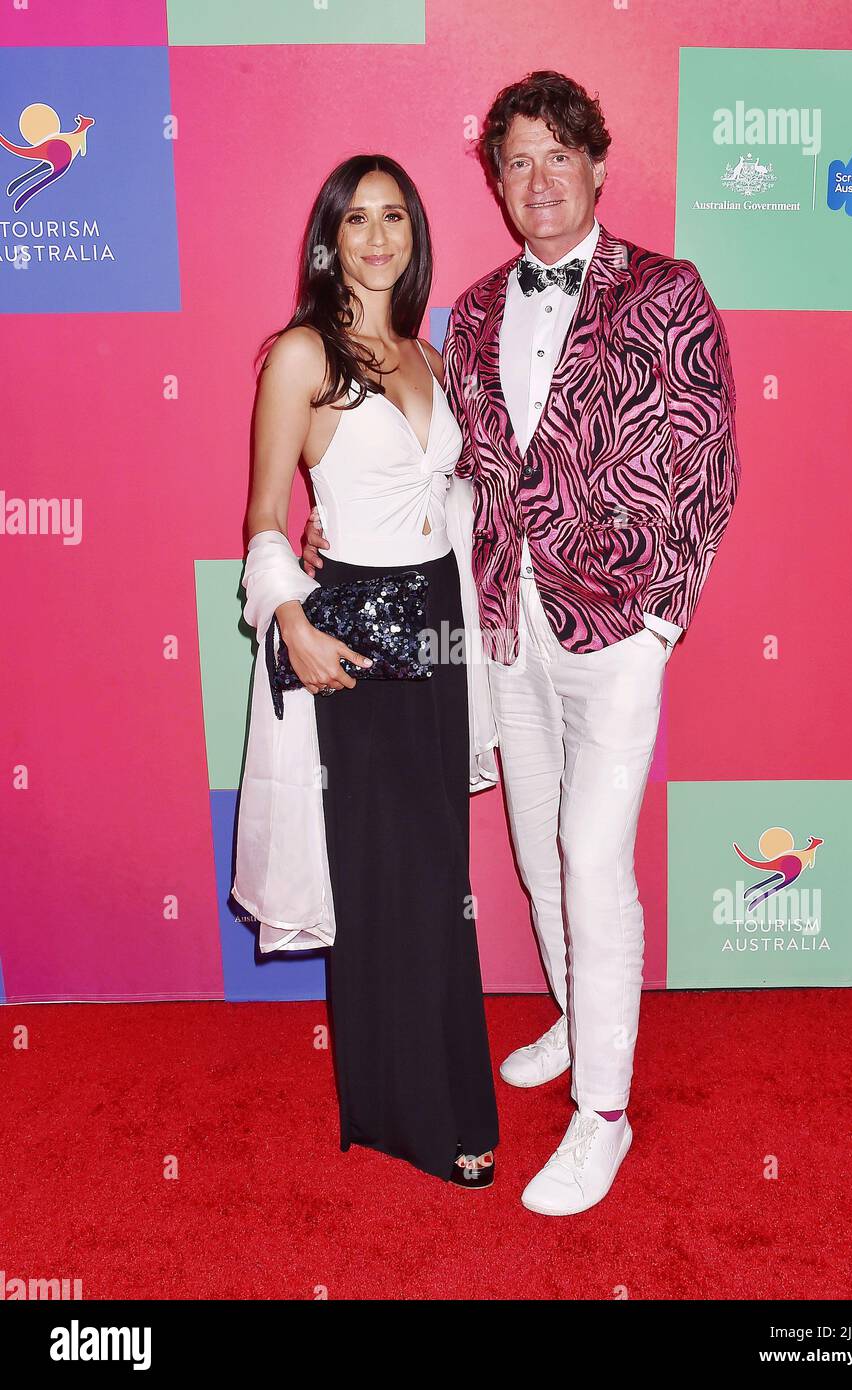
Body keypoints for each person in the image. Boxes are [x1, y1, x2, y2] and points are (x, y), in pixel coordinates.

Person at [303, 72, 741, 1215]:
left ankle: (604, 1111)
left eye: (558, 156)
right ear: (494, 183)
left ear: (597, 164)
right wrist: (339, 519)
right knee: (538, 853)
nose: (537, 180)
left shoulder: (667, 289)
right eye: (515, 163)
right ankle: (573, 1012)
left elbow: (709, 466)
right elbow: (460, 464)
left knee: (593, 860)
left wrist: (658, 620)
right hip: (506, 626)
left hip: (615, 632)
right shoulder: (481, 308)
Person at [234, 154, 500, 1188]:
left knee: (439, 874)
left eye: (394, 216)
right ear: (329, 238)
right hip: (352, 633)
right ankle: (416, 1116)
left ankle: (439, 1094)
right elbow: (262, 518)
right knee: (387, 877)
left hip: (438, 629)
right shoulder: (301, 355)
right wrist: (289, 616)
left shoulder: (422, 352)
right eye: (357, 219)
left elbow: (447, 508)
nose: (378, 236)